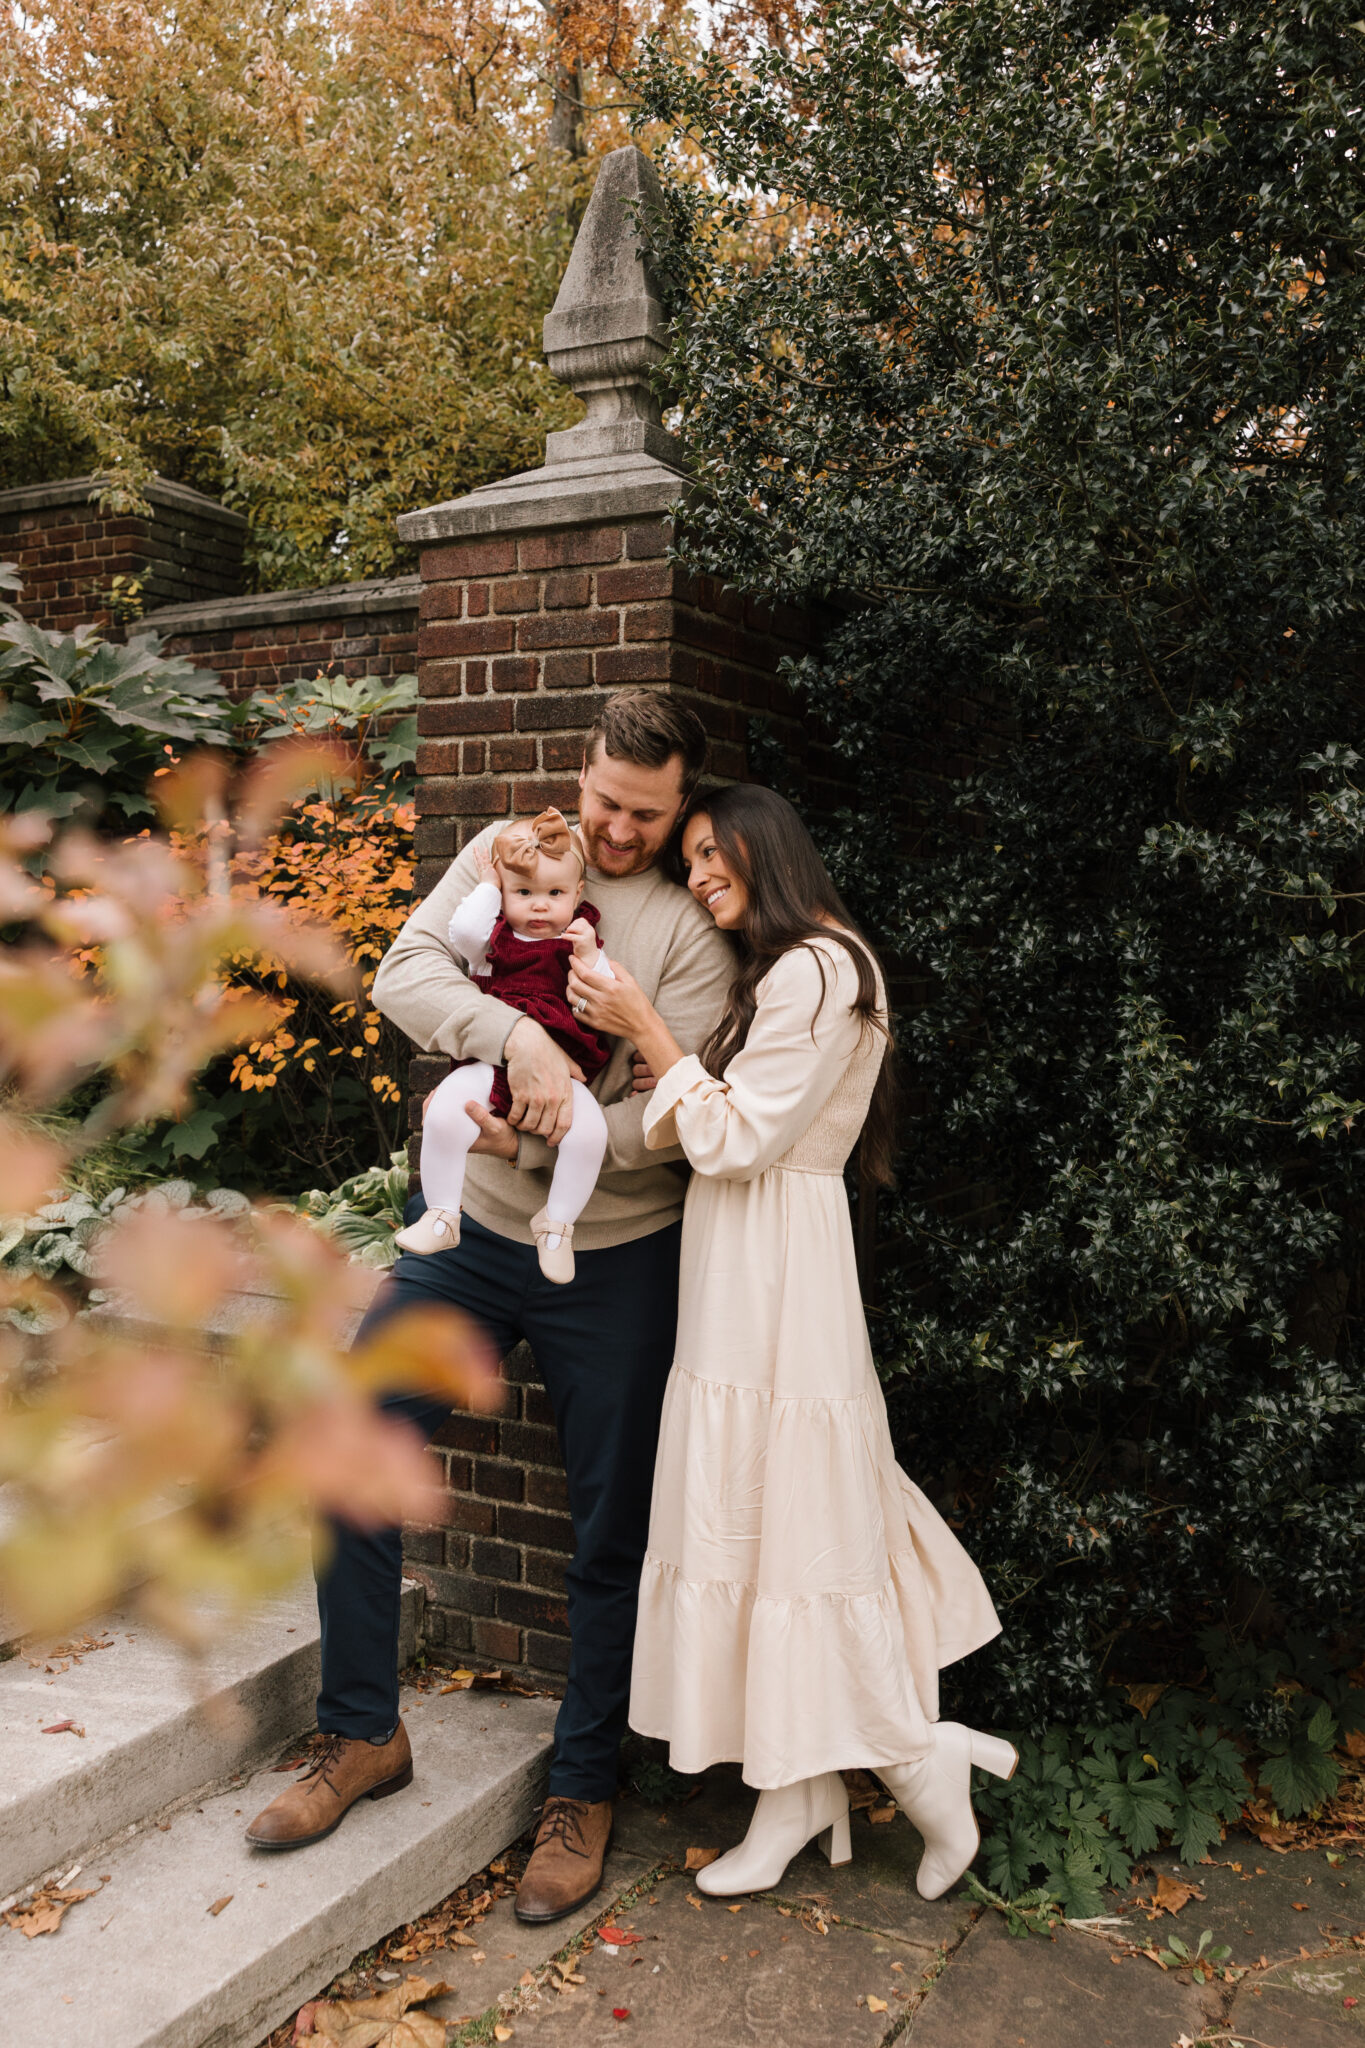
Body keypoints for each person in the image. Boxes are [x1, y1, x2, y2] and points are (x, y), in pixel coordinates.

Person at [244, 691, 736, 1928]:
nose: (614, 829)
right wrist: (514, 1032)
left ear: (680, 809)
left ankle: (581, 1792)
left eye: (643, 813)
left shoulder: (688, 933)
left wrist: (556, 1129)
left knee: (609, 1528)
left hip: (615, 1253)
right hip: (468, 1242)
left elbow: (679, 1120)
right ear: (580, 775)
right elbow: (406, 972)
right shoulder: (512, 847)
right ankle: (361, 1731)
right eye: (603, 801)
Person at [566, 782, 1013, 1902]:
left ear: (773, 848)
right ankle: (796, 1795)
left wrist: (648, 1030)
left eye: (718, 852)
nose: (702, 870)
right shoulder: (785, 970)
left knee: (800, 1522)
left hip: (780, 1268)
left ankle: (918, 1758)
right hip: (741, 1264)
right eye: (695, 857)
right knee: (760, 1524)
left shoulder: (820, 965)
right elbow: (701, 1121)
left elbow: (737, 1136)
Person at [396, 807, 616, 1282]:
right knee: (444, 1111)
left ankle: (556, 1224)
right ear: (505, 895)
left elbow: (609, 996)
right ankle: (442, 1214)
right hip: (490, 1061)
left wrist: (593, 957)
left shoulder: (580, 942)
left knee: (591, 1134)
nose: (540, 906)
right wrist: (488, 889)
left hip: (561, 1070)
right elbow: (463, 932)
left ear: (578, 894)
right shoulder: (491, 943)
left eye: (554, 893)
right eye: (524, 892)